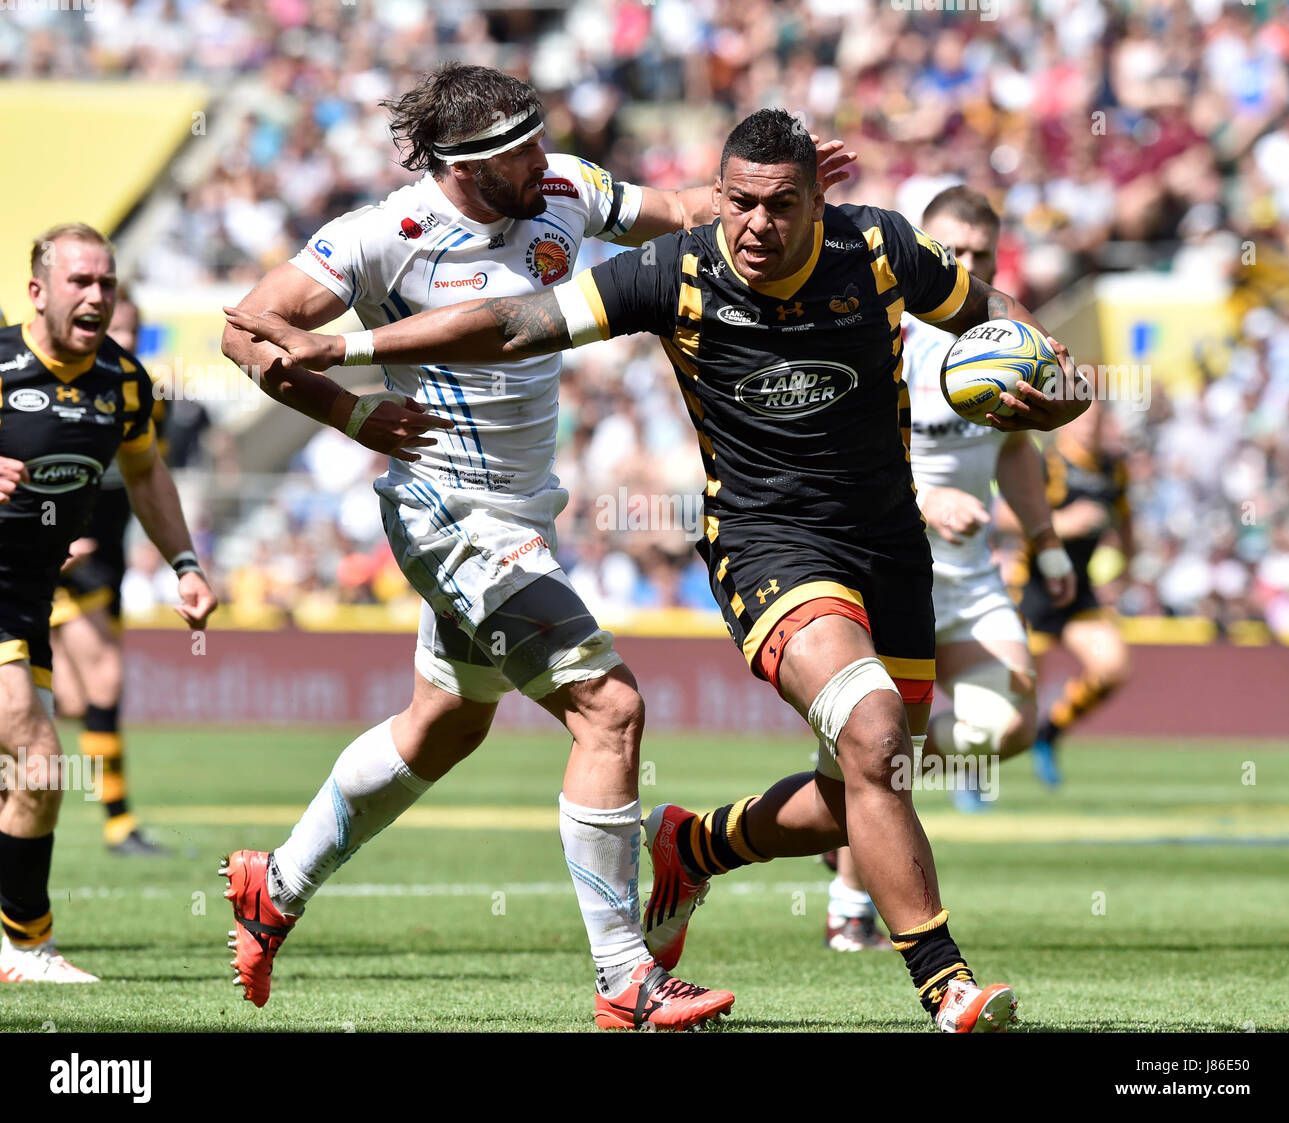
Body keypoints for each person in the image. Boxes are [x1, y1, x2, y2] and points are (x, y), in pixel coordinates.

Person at [225, 108, 1090, 1030]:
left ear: (817, 201)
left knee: (856, 790)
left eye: (781, 205)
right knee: (789, 726)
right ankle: (931, 983)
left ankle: (692, 844)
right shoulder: (670, 270)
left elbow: (986, 311)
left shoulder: (877, 246)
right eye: (740, 203)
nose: (756, 226)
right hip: (760, 545)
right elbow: (519, 324)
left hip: (885, 547)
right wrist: (348, 358)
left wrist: (1056, 379)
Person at [219, 64, 853, 1030]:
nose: (542, 160)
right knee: (610, 707)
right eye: (518, 151)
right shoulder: (382, 236)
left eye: (539, 137)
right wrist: (350, 414)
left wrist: (776, 200)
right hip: (448, 512)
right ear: (463, 168)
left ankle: (279, 884)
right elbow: (245, 332)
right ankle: (624, 975)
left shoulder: (564, 189)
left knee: (446, 724)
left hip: (521, 512)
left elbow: (678, 208)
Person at [820, 186, 1076, 954]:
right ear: (923, 254)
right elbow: (836, 447)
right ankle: (848, 895)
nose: (966, 267)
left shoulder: (1008, 336)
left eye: (981, 257)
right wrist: (927, 494)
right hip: (888, 560)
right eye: (951, 253)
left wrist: (1047, 539)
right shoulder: (880, 331)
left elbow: (1016, 446)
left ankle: (846, 780)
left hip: (967, 574)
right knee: (886, 742)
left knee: (1009, 722)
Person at [0, 223, 216, 982]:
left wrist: (185, 562)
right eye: (79, 282)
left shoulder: (123, 381)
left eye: (106, 283)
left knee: (18, 776)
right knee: (36, 758)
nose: (96, 296)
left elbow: (148, 472)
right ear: (38, 292)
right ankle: (25, 946)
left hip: (29, 595)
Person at [48, 288, 171, 856]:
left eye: (129, 332)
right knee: (103, 682)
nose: (119, 341)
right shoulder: (57, 394)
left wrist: (169, 550)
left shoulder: (143, 395)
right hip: (66, 553)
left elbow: (149, 476)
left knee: (74, 699)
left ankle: (115, 821)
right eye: (111, 329)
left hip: (108, 557)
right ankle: (119, 825)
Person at [1003, 401, 1133, 786]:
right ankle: (972, 770)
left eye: (1097, 419)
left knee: (1112, 667)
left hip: (1079, 594)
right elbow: (1004, 513)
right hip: (1033, 591)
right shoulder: (1047, 461)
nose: (1091, 427)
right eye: (1084, 419)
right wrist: (1063, 524)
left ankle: (1050, 732)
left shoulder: (1114, 469)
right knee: (1014, 700)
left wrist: (1124, 572)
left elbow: (1127, 523)